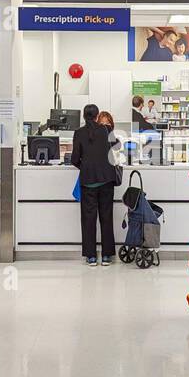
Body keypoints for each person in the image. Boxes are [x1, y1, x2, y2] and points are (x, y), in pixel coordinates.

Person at [70, 103, 117, 266]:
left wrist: (86, 167)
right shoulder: (106, 130)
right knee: (106, 217)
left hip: (88, 182)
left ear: (84, 116)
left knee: (88, 220)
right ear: (97, 116)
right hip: (106, 181)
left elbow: (74, 159)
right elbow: (116, 149)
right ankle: (106, 256)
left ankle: (91, 256)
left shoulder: (78, 133)